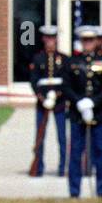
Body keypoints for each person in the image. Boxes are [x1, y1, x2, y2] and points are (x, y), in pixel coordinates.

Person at [64, 24, 102, 198]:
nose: (87, 43)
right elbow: (66, 86)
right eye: (84, 40)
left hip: (98, 113)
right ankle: (74, 191)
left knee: (100, 153)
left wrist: (92, 103)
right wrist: (79, 102)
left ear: (96, 42)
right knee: (76, 153)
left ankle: (101, 191)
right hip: (78, 114)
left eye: (90, 40)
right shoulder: (72, 62)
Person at [27, 23, 67, 176]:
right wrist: (42, 98)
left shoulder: (63, 59)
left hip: (59, 103)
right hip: (42, 103)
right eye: (47, 38)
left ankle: (63, 167)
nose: (50, 41)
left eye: (53, 38)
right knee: (40, 136)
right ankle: (38, 166)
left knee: (62, 137)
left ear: (56, 39)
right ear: (44, 39)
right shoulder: (38, 58)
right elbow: (34, 80)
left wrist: (56, 95)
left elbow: (66, 81)